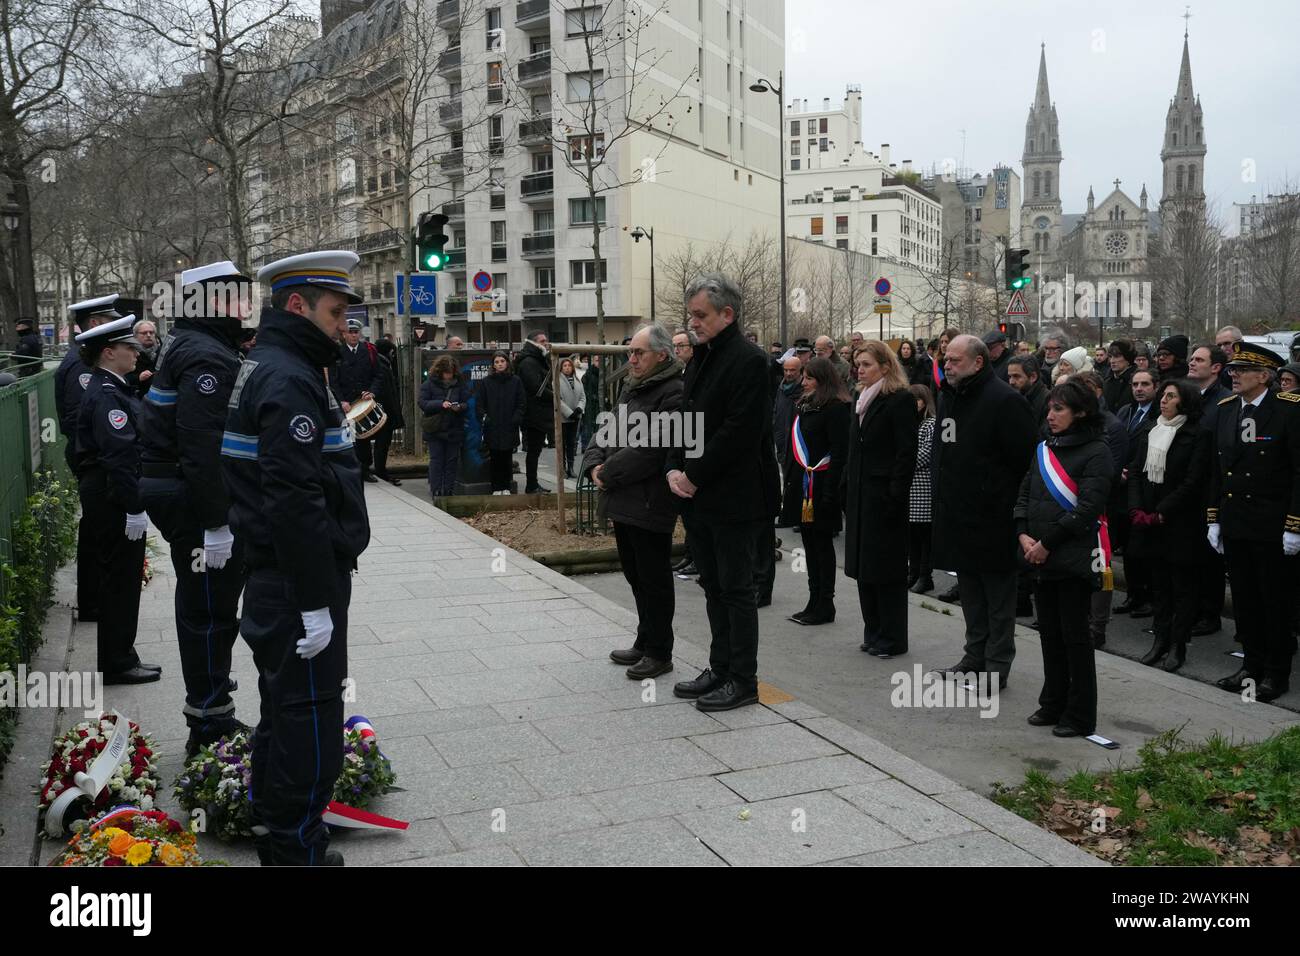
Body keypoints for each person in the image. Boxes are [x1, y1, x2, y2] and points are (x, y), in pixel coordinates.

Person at [221, 249, 370, 866]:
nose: (344, 326)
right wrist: (314, 602)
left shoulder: (278, 365)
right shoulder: (287, 376)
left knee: (286, 708)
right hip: (296, 581)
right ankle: (297, 848)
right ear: (296, 305)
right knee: (310, 717)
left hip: (279, 575)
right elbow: (294, 500)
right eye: (336, 312)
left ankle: (279, 828)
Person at [139, 261, 251, 751]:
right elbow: (203, 447)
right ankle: (208, 722)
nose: (245, 306)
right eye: (234, 297)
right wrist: (216, 525)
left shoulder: (193, 342)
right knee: (209, 608)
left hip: (176, 490)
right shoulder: (206, 355)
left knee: (207, 604)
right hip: (191, 497)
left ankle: (211, 700)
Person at [666, 273, 780, 712]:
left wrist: (693, 476)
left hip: (736, 495)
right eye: (691, 315)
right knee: (712, 586)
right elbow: (686, 418)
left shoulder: (749, 360)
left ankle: (743, 679)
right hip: (698, 495)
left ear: (727, 314)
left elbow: (739, 432)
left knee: (735, 590)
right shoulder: (700, 357)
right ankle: (719, 666)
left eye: (701, 315)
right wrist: (675, 465)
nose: (693, 323)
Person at [931, 334, 1037, 688]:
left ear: (979, 362)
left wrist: (1004, 504)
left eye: (955, 360)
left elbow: (1023, 463)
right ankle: (974, 656)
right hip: (957, 515)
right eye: (946, 359)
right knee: (971, 595)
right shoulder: (950, 397)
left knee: (997, 599)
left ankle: (996, 667)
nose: (948, 364)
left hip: (994, 518)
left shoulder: (1005, 401)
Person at [584, 324, 683, 678]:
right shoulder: (633, 388)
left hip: (648, 500)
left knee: (653, 578)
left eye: (639, 353)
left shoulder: (673, 391)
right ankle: (645, 639)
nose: (632, 358)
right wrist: (593, 462)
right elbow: (606, 429)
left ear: (661, 354)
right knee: (635, 574)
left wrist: (607, 472)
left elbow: (652, 449)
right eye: (631, 352)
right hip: (623, 498)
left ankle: (660, 651)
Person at [1016, 378, 1111, 737]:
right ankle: (1052, 702)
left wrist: (1046, 542)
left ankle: (1080, 713)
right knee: (1049, 634)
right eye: (1050, 408)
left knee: (1075, 637)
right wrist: (1023, 532)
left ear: (1081, 412)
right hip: (1039, 555)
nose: (1051, 415)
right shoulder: (1045, 447)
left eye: (1059, 409)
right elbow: (1025, 492)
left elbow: (1088, 508)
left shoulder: (1097, 451)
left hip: (1071, 558)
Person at [1207, 341, 1300, 702]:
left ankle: (1276, 674)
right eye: (1232, 370)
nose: (1234, 375)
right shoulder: (1228, 409)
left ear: (1264, 376)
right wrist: (1214, 517)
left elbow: (1297, 471)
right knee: (1245, 601)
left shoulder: (1288, 411)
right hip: (1237, 521)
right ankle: (1252, 666)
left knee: (1273, 601)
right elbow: (1220, 468)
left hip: (1271, 525)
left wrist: (1294, 525)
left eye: (1241, 371)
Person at [73, 316, 159, 685]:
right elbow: (119, 456)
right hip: (113, 495)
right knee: (120, 579)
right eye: (129, 348)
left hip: (107, 491)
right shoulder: (108, 394)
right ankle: (117, 661)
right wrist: (134, 507)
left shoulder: (109, 386)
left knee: (120, 578)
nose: (136, 354)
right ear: (109, 353)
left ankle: (121, 654)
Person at [1127, 378, 1208, 671]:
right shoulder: (1151, 429)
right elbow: (1136, 471)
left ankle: (1178, 645)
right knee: (1159, 586)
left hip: (1179, 523)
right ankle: (1159, 639)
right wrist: (1137, 508)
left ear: (1184, 401)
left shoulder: (1196, 433)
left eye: (1171, 396)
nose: (1163, 400)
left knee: (1182, 588)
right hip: (1149, 521)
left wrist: (1162, 511)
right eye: (1163, 395)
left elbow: (1193, 480)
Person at [845, 342, 916, 654]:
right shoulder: (862, 400)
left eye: (867, 364)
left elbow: (905, 454)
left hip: (884, 497)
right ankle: (873, 631)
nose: (860, 369)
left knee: (886, 571)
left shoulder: (899, 399)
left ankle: (893, 637)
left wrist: (894, 497)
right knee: (865, 569)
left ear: (885, 367)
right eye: (858, 364)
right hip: (861, 497)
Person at [58, 295, 126, 623]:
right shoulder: (80, 367)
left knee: (94, 533)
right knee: (97, 536)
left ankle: (93, 601)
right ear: (97, 324)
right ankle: (93, 601)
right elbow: (76, 419)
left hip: (94, 458)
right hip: (93, 461)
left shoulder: (81, 361)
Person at [782, 356, 850, 626]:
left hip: (822, 486)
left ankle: (826, 603)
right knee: (809, 545)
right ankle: (813, 599)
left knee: (822, 546)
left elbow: (840, 454)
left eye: (809, 378)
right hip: (804, 486)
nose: (804, 382)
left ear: (822, 381)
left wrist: (831, 492)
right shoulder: (806, 406)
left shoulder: (836, 409)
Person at [1073, 369, 1128, 648]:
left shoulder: (1112, 425)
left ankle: (1098, 626)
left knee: (1102, 569)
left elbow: (1112, 471)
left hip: (1101, 511)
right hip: (1072, 505)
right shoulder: (1073, 423)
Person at [1187, 346, 1230, 637]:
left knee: (1210, 555)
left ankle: (1209, 613)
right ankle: (1192, 608)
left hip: (1210, 487)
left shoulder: (1225, 400)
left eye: (1199, 359)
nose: (1192, 362)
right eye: (1192, 357)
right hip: (1188, 485)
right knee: (1191, 554)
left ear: (1215, 368)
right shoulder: (1190, 394)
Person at [332, 318, 382, 483]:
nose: (353, 335)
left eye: (356, 332)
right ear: (344, 334)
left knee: (364, 438)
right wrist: (341, 401)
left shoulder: (368, 351)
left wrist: (372, 392)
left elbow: (378, 376)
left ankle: (365, 469)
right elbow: (333, 381)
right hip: (346, 403)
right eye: (350, 332)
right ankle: (349, 470)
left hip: (363, 401)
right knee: (348, 438)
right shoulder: (336, 353)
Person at [419, 354, 470, 497]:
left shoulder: (460, 384)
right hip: (435, 428)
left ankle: (448, 489)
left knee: (451, 461)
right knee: (436, 460)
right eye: (446, 372)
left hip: (454, 427)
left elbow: (467, 402)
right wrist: (440, 404)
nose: (449, 376)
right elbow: (422, 403)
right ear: (440, 371)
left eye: (451, 372)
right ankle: (436, 489)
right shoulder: (429, 384)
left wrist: (459, 406)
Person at [476, 351, 525, 494]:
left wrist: (516, 418)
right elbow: (480, 403)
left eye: (502, 361)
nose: (500, 364)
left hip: (509, 425)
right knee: (495, 458)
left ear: (507, 363)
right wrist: (485, 417)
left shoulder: (515, 380)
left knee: (507, 458)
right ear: (493, 365)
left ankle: (506, 486)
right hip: (493, 425)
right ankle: (496, 487)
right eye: (496, 362)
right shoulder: (486, 381)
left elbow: (521, 402)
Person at [515, 330, 553, 493]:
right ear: (534, 343)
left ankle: (533, 483)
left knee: (535, 451)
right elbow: (536, 388)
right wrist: (555, 396)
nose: (546, 343)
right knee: (533, 451)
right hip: (533, 414)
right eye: (542, 341)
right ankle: (532, 484)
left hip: (538, 412)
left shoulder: (537, 360)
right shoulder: (529, 363)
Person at [907, 384, 936, 594]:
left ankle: (925, 576)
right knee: (912, 536)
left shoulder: (930, 425)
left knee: (924, 535)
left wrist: (901, 463)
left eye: (915, 400)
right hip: (909, 486)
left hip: (923, 488)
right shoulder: (910, 424)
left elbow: (925, 455)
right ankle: (913, 572)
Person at [773, 355, 803, 528]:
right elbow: (777, 410)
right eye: (786, 370)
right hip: (782, 438)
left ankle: (798, 516)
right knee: (787, 477)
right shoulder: (781, 387)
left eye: (793, 370)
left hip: (797, 440)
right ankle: (788, 514)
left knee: (797, 479)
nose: (789, 373)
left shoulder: (803, 389)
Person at [370, 334, 404, 485]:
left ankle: (380, 470)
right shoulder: (383, 366)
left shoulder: (381, 364)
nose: (393, 355)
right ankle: (380, 471)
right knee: (382, 443)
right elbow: (388, 394)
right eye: (392, 352)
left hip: (382, 411)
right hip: (384, 413)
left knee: (381, 443)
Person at [557, 356, 586, 479]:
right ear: (561, 368)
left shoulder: (577, 380)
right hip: (564, 418)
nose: (567, 368)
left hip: (576, 417)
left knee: (571, 444)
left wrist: (579, 408)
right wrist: (569, 412)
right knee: (562, 445)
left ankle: (571, 468)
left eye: (569, 365)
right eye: (565, 366)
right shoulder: (557, 381)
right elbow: (558, 400)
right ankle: (562, 469)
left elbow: (583, 397)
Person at [1008, 354, 1048, 430]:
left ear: (1033, 377)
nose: (1011, 382)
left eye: (1016, 376)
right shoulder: (1014, 398)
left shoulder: (1048, 401)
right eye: (1010, 377)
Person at [1103, 340, 1137, 414]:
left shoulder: (1137, 381)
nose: (1112, 361)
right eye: (1110, 357)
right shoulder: (1107, 380)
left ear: (1128, 358)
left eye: (1117, 356)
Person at [126, 319, 158, 397]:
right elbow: (123, 377)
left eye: (151, 332)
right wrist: (139, 377)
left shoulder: (162, 352)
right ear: (135, 336)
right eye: (144, 333)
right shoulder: (130, 353)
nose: (148, 335)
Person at [580, 352, 602, 451]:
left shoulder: (604, 373)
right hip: (590, 403)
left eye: (600, 361)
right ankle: (587, 446)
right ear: (593, 361)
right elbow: (584, 389)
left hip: (601, 402)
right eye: (597, 360)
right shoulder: (588, 373)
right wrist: (592, 397)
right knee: (588, 425)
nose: (599, 363)